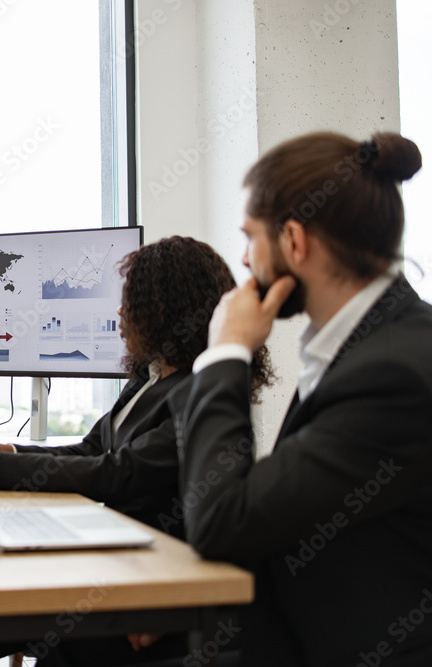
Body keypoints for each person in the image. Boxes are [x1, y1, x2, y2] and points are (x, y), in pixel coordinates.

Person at [0, 236, 273, 667]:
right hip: (99, 557)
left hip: (138, 582)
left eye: (130, 300)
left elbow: (122, 472)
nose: (119, 311)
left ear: (163, 308)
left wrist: (1, 466)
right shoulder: (148, 377)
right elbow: (92, 448)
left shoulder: (199, 391)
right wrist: (5, 449)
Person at [169, 131, 432, 665]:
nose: (243, 259)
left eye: (250, 238)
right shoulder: (360, 346)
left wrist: (226, 354)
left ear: (294, 240)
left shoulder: (393, 373)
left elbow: (223, 520)